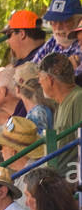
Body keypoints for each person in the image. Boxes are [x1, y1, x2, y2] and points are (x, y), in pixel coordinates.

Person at [38, 54, 82, 182]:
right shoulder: (60, 103)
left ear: (50, 79)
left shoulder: (78, 99)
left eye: (40, 78)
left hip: (71, 183)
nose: (39, 82)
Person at [39, 0, 82, 72]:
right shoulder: (53, 41)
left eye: (65, 21)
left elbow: (73, 81)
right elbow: (33, 68)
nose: (58, 28)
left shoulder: (80, 45)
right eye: (54, 21)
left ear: (78, 21)